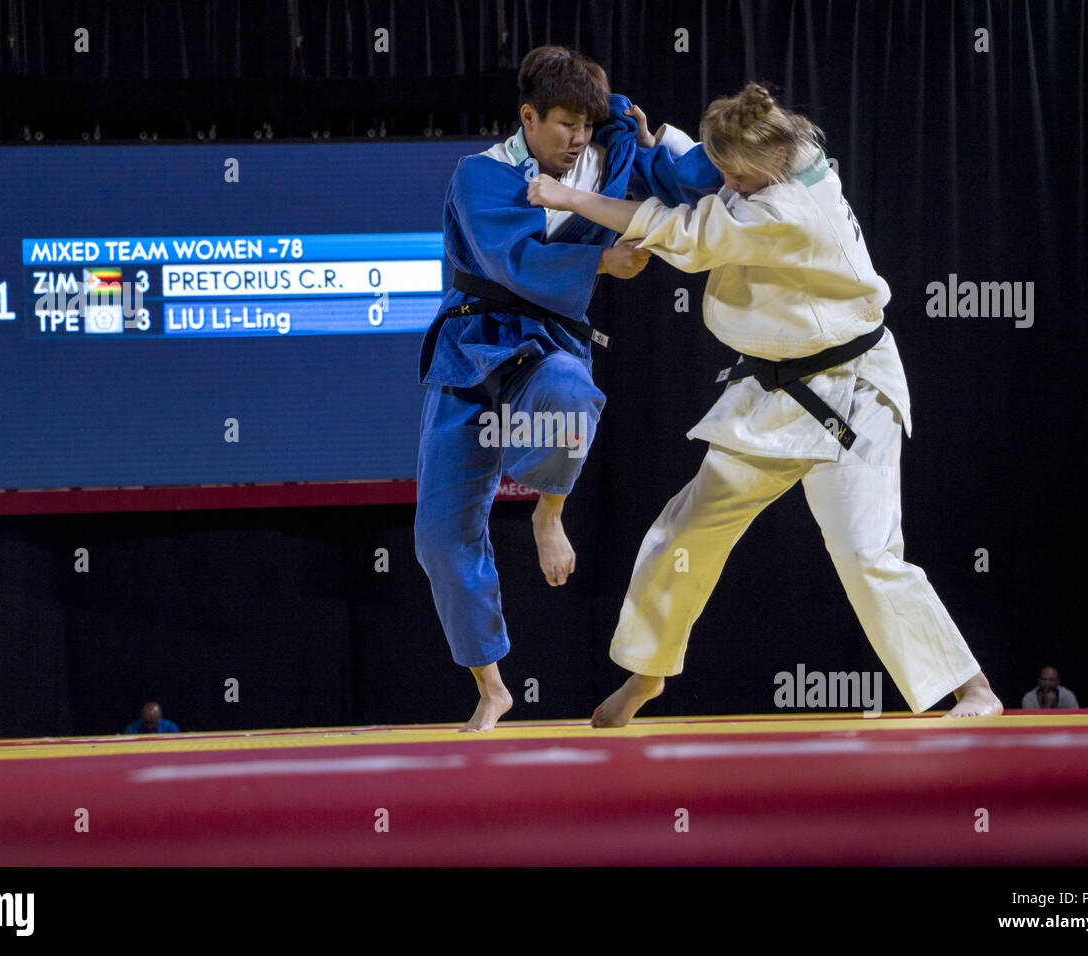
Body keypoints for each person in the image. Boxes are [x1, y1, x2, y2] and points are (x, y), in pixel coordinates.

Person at [527, 82, 1004, 724]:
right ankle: (647, 677)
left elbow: (683, 230)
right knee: (682, 533)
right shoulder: (779, 159)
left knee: (866, 553)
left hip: (849, 400)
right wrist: (657, 143)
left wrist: (567, 196)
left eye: (736, 175)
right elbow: (712, 172)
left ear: (770, 158)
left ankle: (973, 687)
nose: (729, 183)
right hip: (773, 395)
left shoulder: (789, 211)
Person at [413, 46, 721, 732]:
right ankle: (492, 686)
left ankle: (547, 512)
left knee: (569, 394)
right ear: (529, 118)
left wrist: (655, 140)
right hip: (472, 340)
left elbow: (690, 177)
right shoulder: (480, 176)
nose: (577, 139)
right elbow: (513, 261)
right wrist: (603, 261)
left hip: (548, 341)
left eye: (586, 125)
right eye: (562, 126)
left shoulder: (611, 154)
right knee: (439, 535)